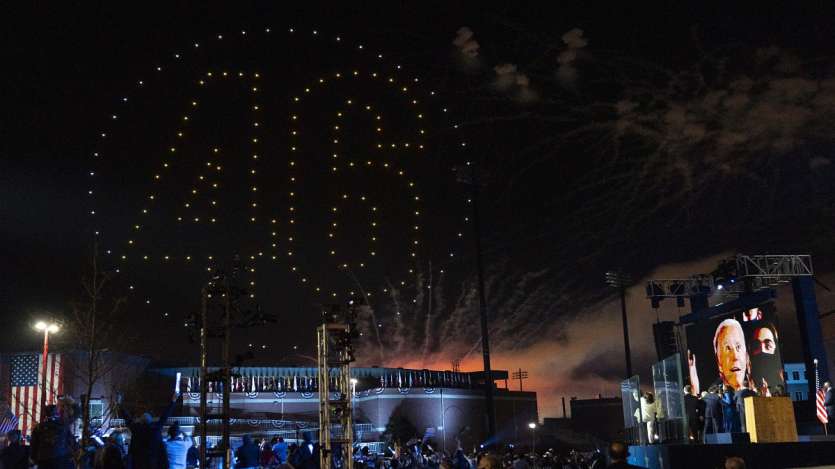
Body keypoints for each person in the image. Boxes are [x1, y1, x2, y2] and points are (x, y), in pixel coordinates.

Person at [126, 392, 178, 469]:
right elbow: (165, 416)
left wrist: (119, 405)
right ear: (151, 421)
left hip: (139, 464)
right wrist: (173, 402)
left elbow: (128, 419)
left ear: (140, 422)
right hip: (153, 464)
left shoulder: (136, 430)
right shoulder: (156, 429)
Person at [30, 404, 77, 469]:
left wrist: (33, 458)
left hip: (43, 459)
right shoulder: (63, 427)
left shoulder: (39, 427)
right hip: (59, 459)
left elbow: (34, 444)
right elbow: (71, 443)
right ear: (56, 413)